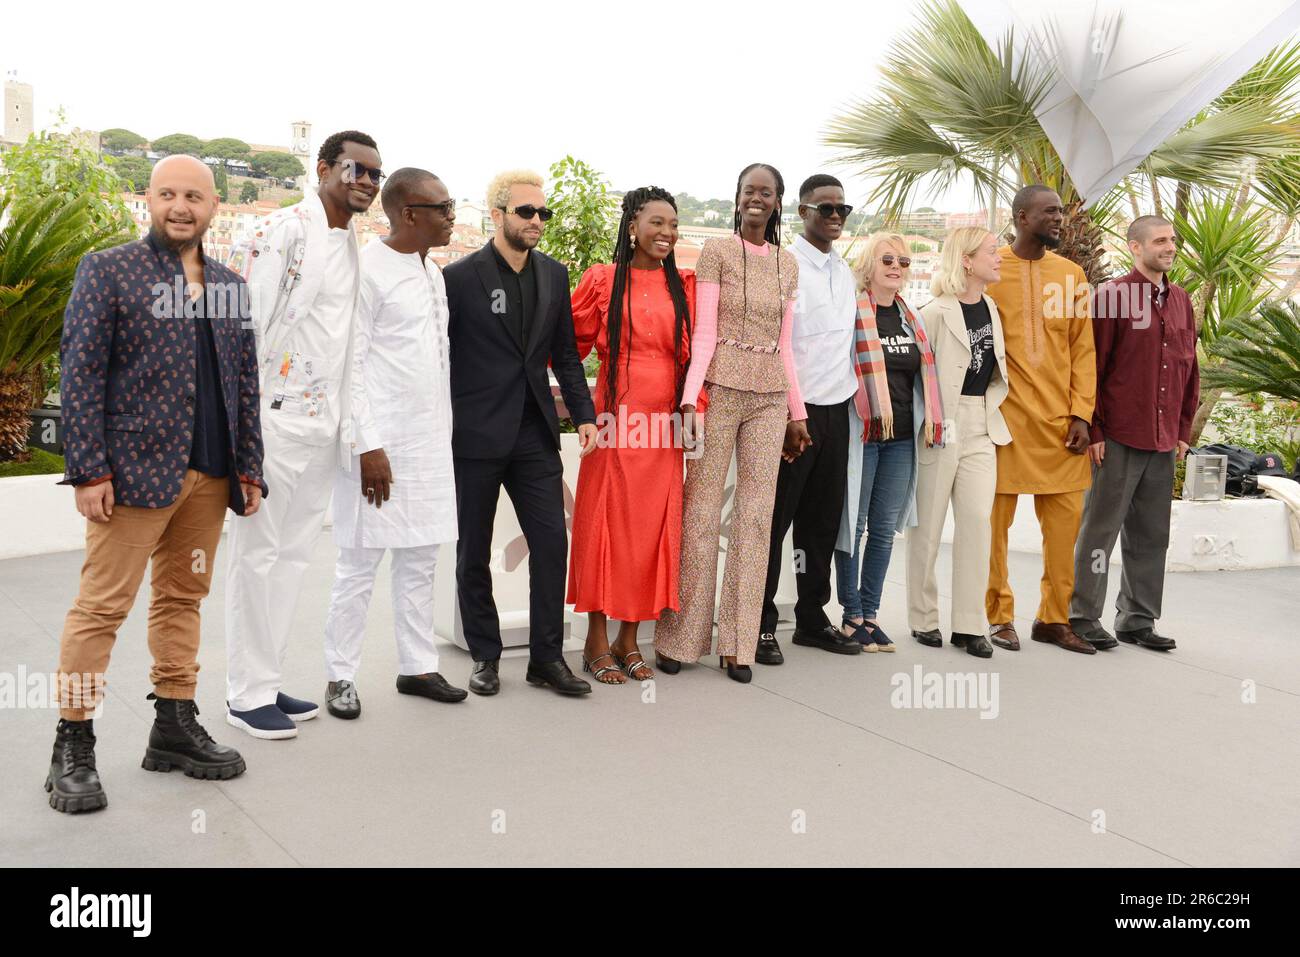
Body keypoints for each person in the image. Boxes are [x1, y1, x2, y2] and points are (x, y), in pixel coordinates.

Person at [48, 155, 265, 813]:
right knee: (101, 608)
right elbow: (79, 372)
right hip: (133, 478)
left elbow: (246, 382)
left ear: (213, 207)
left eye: (194, 196)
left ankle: (173, 723)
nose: (180, 205)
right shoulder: (109, 271)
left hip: (210, 474)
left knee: (181, 600)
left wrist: (250, 466)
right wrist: (87, 468)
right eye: (168, 193)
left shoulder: (230, 284)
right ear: (148, 199)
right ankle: (73, 743)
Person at [224, 130, 382, 737]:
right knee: (255, 558)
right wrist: (245, 433)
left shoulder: (349, 243)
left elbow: (347, 345)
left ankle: (266, 682)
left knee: (290, 560)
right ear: (323, 168)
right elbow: (244, 329)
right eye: (355, 169)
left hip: (321, 427)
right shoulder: (283, 231)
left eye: (374, 173)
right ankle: (244, 694)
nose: (366, 180)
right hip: (272, 421)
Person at [319, 168, 468, 718]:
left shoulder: (431, 271)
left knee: (421, 558)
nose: (453, 215)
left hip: (428, 443)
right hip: (377, 446)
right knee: (359, 563)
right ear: (409, 214)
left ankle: (417, 665)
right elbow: (349, 365)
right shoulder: (367, 269)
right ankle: (340, 675)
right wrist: (366, 445)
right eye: (444, 207)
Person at [444, 170, 598, 697]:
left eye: (542, 213)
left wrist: (583, 415)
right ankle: (484, 654)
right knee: (473, 550)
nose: (536, 221)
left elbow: (567, 356)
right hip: (476, 434)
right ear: (498, 215)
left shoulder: (554, 276)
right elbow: (440, 358)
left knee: (553, 543)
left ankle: (546, 658)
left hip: (534, 431)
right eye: (526, 212)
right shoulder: (459, 278)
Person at [653, 163, 803, 684]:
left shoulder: (789, 265)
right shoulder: (717, 251)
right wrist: (691, 398)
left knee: (756, 519)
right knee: (700, 510)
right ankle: (680, 639)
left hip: (769, 398)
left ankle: (738, 645)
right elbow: (706, 335)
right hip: (719, 389)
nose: (756, 199)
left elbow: (786, 345)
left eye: (766, 192)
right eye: (748, 191)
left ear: (778, 202)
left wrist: (797, 413)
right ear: (737, 199)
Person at [568, 187, 696, 684]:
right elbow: (568, 348)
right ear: (633, 226)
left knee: (651, 532)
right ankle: (595, 640)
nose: (666, 232)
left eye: (673, 224)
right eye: (656, 222)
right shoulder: (602, 281)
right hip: (613, 423)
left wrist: (692, 413)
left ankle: (629, 638)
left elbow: (692, 357)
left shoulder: (682, 285)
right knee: (606, 529)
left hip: (663, 427)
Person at [1070, 215, 1197, 652]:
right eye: (1160, 240)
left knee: (1151, 534)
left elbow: (1189, 369)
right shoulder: (1113, 297)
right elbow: (1093, 369)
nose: (1169, 246)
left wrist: (1183, 429)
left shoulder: (1181, 300)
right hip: (1119, 436)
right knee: (1100, 531)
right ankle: (1084, 616)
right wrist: (1097, 429)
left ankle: (1138, 619)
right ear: (1135, 247)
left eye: (1172, 240)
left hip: (1163, 439)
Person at [983, 185, 1098, 655]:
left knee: (1065, 529)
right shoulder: (990, 270)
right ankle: (998, 616)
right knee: (994, 530)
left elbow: (1083, 350)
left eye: (1060, 213)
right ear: (1021, 216)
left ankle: (1053, 619)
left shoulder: (1071, 276)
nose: (1059, 220)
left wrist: (1081, 414)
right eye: (1050, 212)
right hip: (1003, 423)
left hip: (1061, 426)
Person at [756, 174, 863, 664]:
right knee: (774, 523)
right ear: (802, 212)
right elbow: (782, 347)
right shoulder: (787, 265)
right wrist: (791, 414)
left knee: (820, 522)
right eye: (826, 209)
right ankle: (757, 624)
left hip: (836, 411)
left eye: (842, 208)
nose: (836, 216)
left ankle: (811, 619)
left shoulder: (843, 268)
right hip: (791, 414)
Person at [833, 232, 945, 652]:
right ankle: (851, 616)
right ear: (869, 265)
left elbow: (920, 378)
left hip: (900, 439)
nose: (896, 266)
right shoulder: (852, 313)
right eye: (887, 260)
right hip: (862, 435)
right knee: (854, 526)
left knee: (883, 531)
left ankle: (871, 615)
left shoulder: (910, 317)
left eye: (903, 261)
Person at [907, 227, 1010, 658]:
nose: (999, 256)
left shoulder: (991, 308)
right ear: (966, 260)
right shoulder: (933, 313)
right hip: (940, 422)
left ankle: (969, 625)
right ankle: (923, 619)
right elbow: (917, 377)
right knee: (927, 526)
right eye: (991, 250)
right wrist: (931, 420)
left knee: (975, 524)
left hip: (981, 424)